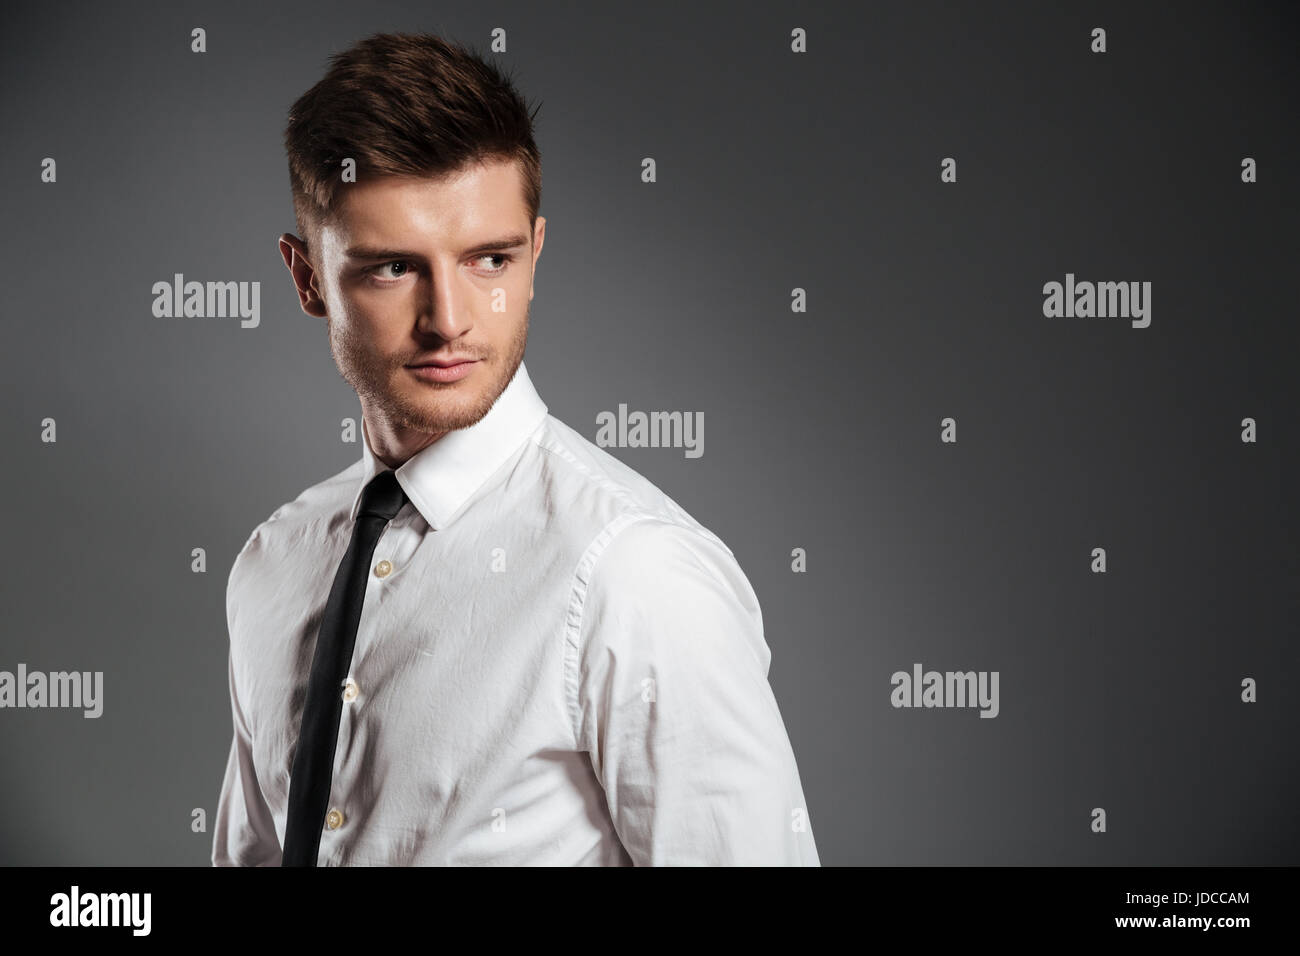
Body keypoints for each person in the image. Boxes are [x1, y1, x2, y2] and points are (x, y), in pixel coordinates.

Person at [212, 31, 820, 866]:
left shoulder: (634, 575)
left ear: (534, 257)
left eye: (489, 259)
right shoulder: (272, 564)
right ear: (308, 279)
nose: (449, 319)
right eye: (392, 268)